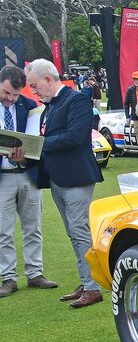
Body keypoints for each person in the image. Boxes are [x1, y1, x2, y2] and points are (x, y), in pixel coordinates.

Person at [11, 59, 102, 308]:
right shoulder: (49, 106)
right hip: (58, 178)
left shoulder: (77, 100)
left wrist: (35, 146)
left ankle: (93, 286)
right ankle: (86, 281)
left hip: (76, 178)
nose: (33, 91)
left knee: (79, 231)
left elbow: (75, 137)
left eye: (34, 85)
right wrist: (27, 154)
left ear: (49, 79)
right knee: (74, 232)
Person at [0, 65, 57, 298]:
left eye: (15, 94)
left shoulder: (31, 106)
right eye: (6, 92)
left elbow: (37, 141)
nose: (11, 99)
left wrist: (26, 156)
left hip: (27, 173)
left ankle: (35, 273)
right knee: (3, 231)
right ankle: (9, 278)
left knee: (33, 227)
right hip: (2, 178)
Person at [123, 71, 138, 163]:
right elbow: (126, 104)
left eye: (137, 79)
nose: (135, 81)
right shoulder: (130, 90)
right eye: (134, 79)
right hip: (136, 117)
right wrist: (127, 116)